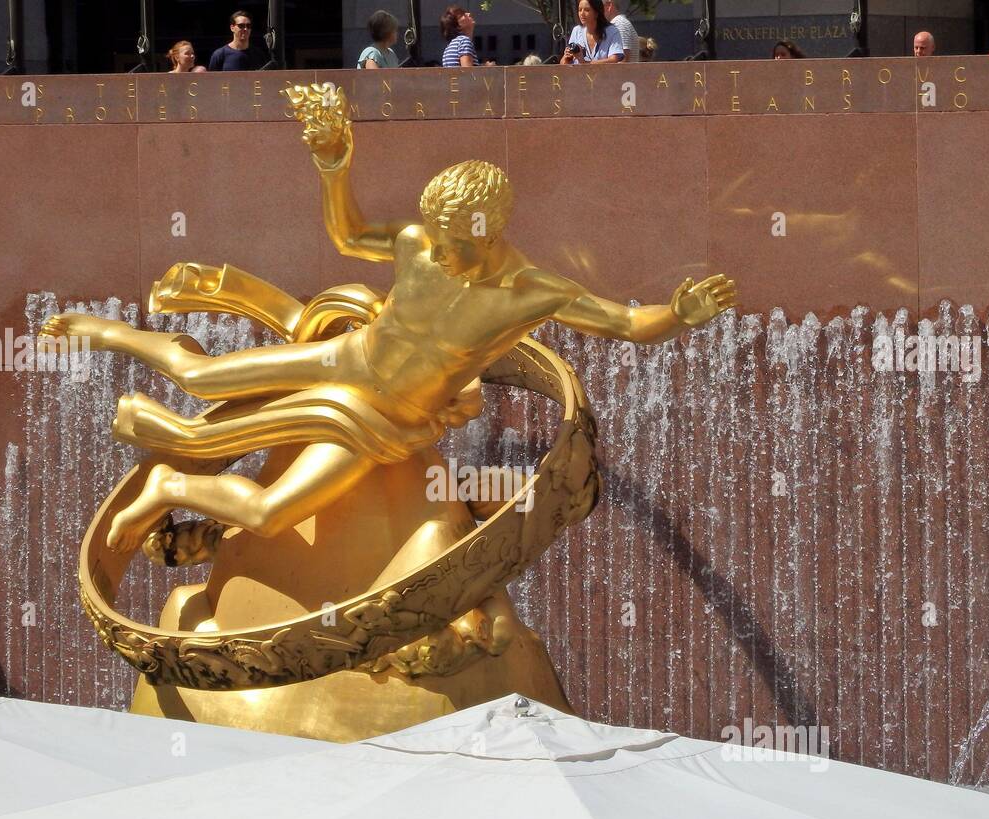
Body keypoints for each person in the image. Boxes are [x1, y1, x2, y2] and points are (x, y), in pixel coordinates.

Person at [40, 83, 736, 554]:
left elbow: (622, 323)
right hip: (348, 360)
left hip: (384, 421)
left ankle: (170, 487)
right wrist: (334, 170)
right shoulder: (416, 242)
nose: (434, 244)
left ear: (488, 226)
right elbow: (348, 236)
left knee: (269, 511)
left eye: (451, 236)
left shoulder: (532, 292)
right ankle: (105, 331)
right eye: (431, 230)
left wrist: (678, 313)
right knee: (202, 376)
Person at [561, 0, 623, 65]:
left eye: (587, 10)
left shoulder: (612, 31)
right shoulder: (576, 30)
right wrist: (566, 58)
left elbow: (614, 60)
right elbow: (562, 64)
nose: (582, 13)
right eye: (580, 10)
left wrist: (585, 63)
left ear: (596, 12)